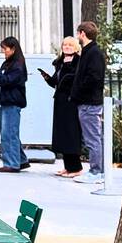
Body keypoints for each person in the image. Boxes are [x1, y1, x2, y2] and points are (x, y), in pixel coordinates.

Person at [41, 36, 83, 177]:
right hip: (60, 100)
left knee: (71, 133)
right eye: (65, 45)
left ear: (76, 47)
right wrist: (47, 77)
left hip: (71, 100)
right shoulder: (59, 62)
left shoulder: (78, 61)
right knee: (62, 133)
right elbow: (56, 82)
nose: (67, 47)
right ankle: (67, 166)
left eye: (70, 45)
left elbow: (75, 80)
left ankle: (76, 167)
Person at [72, 20, 106, 185]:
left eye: (78, 33)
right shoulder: (88, 52)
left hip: (89, 103)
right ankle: (99, 170)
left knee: (93, 138)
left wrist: (79, 91)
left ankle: (96, 171)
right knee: (94, 138)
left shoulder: (93, 53)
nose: (77, 36)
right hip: (87, 101)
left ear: (82, 34)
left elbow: (94, 78)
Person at [0, 36, 29, 173]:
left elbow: (6, 80)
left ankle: (12, 163)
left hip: (12, 102)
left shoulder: (17, 65)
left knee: (9, 133)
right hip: (4, 100)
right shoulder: (8, 63)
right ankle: (21, 160)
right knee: (10, 132)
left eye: (5, 48)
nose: (4, 51)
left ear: (13, 49)